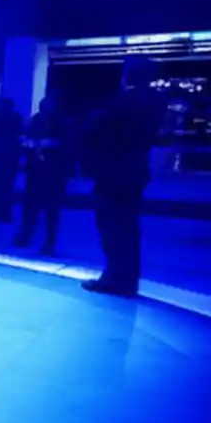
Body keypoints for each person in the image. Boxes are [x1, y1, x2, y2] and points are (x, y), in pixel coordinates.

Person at [81, 59, 161, 296]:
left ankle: (114, 279)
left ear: (130, 75)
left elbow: (92, 129)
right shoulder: (156, 101)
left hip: (114, 171)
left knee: (112, 226)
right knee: (128, 227)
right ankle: (127, 281)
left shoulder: (125, 102)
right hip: (136, 170)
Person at [14, 97, 75, 255]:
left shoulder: (62, 121)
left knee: (50, 208)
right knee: (31, 205)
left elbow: (67, 145)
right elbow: (27, 136)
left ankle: (48, 241)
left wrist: (43, 144)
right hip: (36, 169)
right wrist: (29, 144)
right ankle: (28, 235)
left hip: (53, 171)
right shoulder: (38, 120)